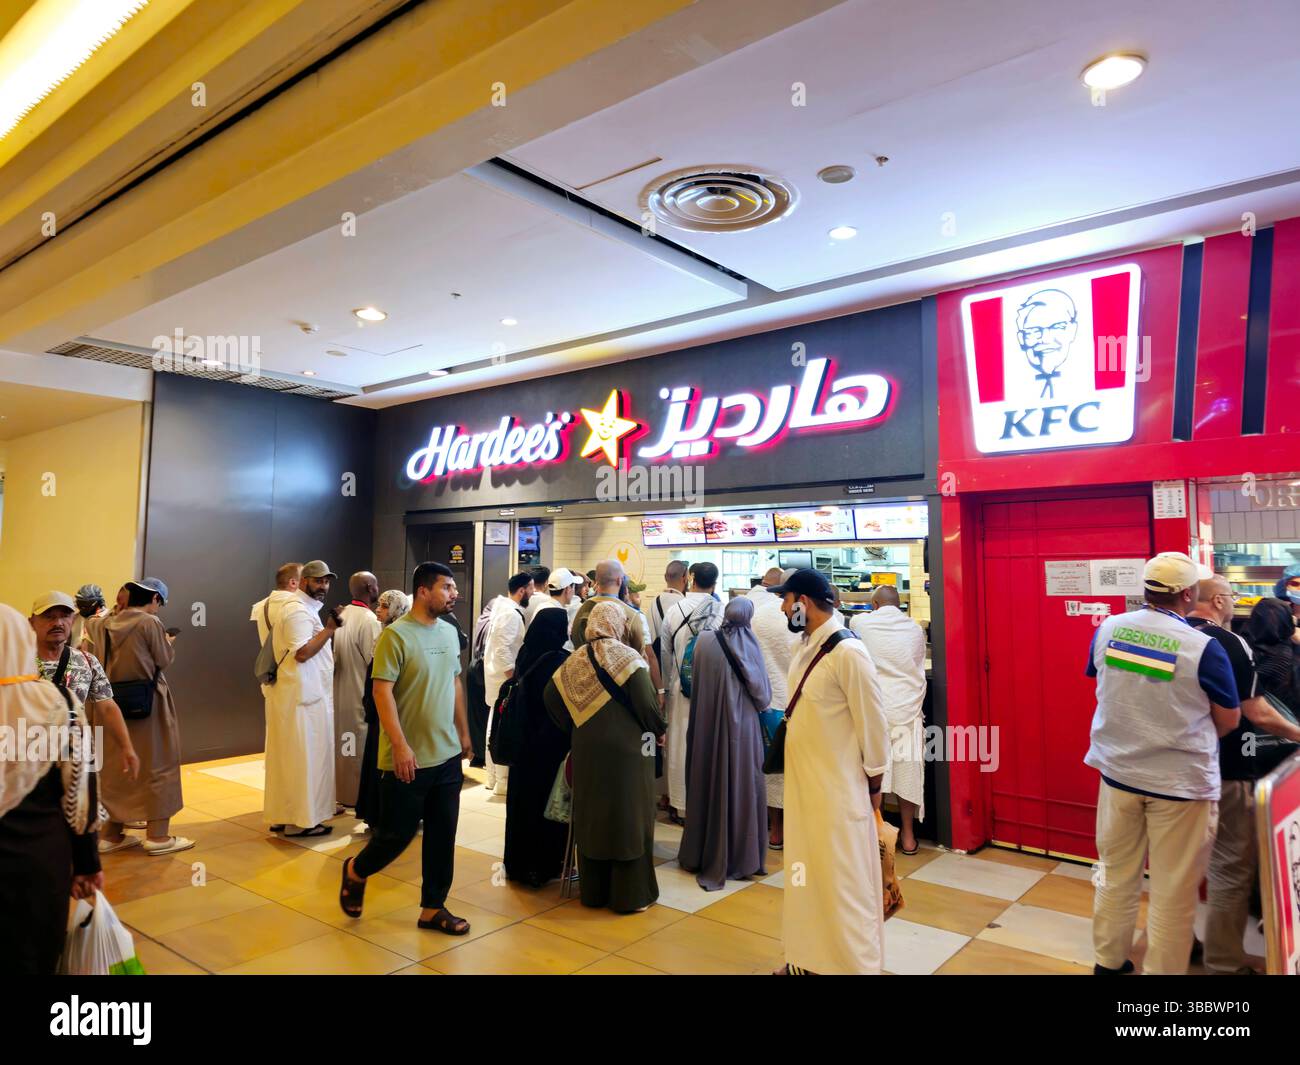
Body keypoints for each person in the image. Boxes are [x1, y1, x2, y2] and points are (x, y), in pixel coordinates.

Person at [1084, 552, 1240, 976]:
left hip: (1118, 775)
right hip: (1180, 786)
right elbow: (1228, 720)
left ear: (1146, 590)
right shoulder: (1201, 646)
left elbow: (1109, 684)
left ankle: (1108, 963)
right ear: (1188, 595)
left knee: (1116, 874)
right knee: (1173, 890)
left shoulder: (1110, 629)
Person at [340, 562, 472, 935]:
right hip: (407, 758)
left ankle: (432, 908)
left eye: (453, 588)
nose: (453, 594)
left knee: (443, 835)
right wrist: (399, 746)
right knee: (394, 837)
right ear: (424, 591)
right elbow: (381, 692)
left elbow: (456, 684)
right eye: (446, 587)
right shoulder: (395, 636)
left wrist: (464, 733)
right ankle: (355, 870)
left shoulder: (448, 633)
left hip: (445, 756)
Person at [769, 568, 890, 974]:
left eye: (787, 599)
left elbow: (874, 726)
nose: (784, 607)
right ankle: (804, 957)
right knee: (806, 878)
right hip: (805, 792)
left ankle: (854, 966)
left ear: (803, 602)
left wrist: (874, 787)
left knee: (844, 885)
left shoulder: (848, 653)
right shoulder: (805, 645)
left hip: (839, 796)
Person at [1190, 575, 1300, 975]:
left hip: (1175, 771)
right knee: (1230, 864)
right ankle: (1224, 961)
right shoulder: (1229, 644)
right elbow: (1254, 714)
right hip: (1232, 767)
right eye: (1232, 597)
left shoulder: (1175, 635)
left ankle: (1183, 941)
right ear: (1219, 600)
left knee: (1179, 864)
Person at [0, 605, 104, 974]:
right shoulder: (59, 703)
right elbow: (81, 792)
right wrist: (87, 864)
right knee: (34, 954)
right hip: (40, 864)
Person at [544, 602, 664, 912]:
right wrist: (659, 730)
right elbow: (647, 707)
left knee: (592, 815)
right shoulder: (628, 658)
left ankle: (594, 893)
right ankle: (629, 896)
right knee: (629, 816)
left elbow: (550, 696)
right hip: (629, 752)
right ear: (619, 625)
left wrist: (575, 724)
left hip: (586, 749)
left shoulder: (575, 659)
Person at [678, 597, 770, 890]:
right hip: (741, 730)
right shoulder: (749, 644)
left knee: (706, 782)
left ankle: (699, 852)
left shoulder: (704, 640)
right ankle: (740, 856)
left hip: (705, 724)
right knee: (741, 785)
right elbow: (763, 695)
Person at [97, 577, 192, 855]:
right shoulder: (150, 623)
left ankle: (111, 835)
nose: (158, 609)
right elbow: (163, 659)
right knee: (158, 763)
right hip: (148, 704)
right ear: (153, 599)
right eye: (158, 603)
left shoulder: (103, 623)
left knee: (116, 767)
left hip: (111, 703)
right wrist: (168, 642)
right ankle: (158, 837)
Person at [262, 560, 340, 838]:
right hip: (302, 698)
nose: (324, 586)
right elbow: (302, 653)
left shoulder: (303, 609)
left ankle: (284, 815)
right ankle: (301, 821)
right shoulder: (296, 611)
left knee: (291, 758)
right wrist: (329, 630)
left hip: (302, 696)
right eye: (318, 581)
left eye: (327, 581)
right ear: (303, 581)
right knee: (302, 759)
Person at [30, 592, 140, 787]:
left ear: (73, 620)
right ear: (32, 623)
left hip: (76, 752)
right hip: (28, 754)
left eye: (65, 616)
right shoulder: (17, 662)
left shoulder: (87, 661)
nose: (58, 623)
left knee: (79, 810)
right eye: (49, 616)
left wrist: (127, 748)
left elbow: (107, 707)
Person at [851, 585, 928, 855]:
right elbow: (917, 662)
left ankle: (878, 836)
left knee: (875, 773)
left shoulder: (860, 622)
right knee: (907, 772)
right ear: (900, 606)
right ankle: (908, 837)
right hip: (907, 709)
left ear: (874, 604)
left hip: (876, 709)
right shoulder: (914, 628)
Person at [502, 608, 572, 887]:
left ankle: (518, 864)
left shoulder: (525, 653)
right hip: (550, 746)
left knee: (521, 804)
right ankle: (545, 865)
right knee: (548, 806)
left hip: (522, 744)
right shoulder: (561, 661)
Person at [659, 561, 724, 823]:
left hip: (678, 687)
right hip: (712, 691)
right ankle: (705, 804)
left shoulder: (675, 611)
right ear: (716, 583)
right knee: (707, 745)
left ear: (691, 578)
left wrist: (665, 686)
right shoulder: (721, 611)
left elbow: (665, 652)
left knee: (678, 745)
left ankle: (680, 804)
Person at [748, 568, 800, 848]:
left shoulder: (759, 616)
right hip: (801, 705)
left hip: (768, 703)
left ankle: (775, 830)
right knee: (802, 772)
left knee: (771, 769)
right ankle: (801, 829)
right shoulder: (816, 620)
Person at [356, 589, 410, 827]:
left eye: (384, 606)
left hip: (390, 711)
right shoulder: (386, 634)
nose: (378, 610)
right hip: (381, 711)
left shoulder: (396, 636)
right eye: (379, 605)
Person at [333, 571, 383, 810]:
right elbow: (376, 663)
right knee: (359, 749)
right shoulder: (368, 620)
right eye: (375, 585)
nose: (378, 589)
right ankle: (355, 797)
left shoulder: (342, 615)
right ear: (369, 587)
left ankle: (341, 792)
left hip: (339, 695)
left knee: (344, 746)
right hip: (360, 696)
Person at [483, 571, 534, 795]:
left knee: (494, 725)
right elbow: (503, 649)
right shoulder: (511, 614)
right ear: (522, 590)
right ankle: (501, 782)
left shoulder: (502, 608)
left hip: (496, 678)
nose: (533, 593)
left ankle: (494, 779)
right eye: (531, 589)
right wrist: (513, 679)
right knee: (502, 729)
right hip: (503, 679)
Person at [646, 560, 688, 669]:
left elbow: (648, 639)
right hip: (681, 665)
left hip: (660, 665)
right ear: (685, 578)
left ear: (665, 577)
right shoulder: (687, 604)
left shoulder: (654, 603)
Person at [251, 563, 302, 643]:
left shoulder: (262, 605)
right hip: (292, 655)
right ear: (293, 583)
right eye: (304, 579)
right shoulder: (296, 606)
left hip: (271, 655)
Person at [72, 583, 107, 654]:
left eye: (83, 604)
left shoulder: (107, 620)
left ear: (94, 604)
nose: (80, 608)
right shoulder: (76, 618)